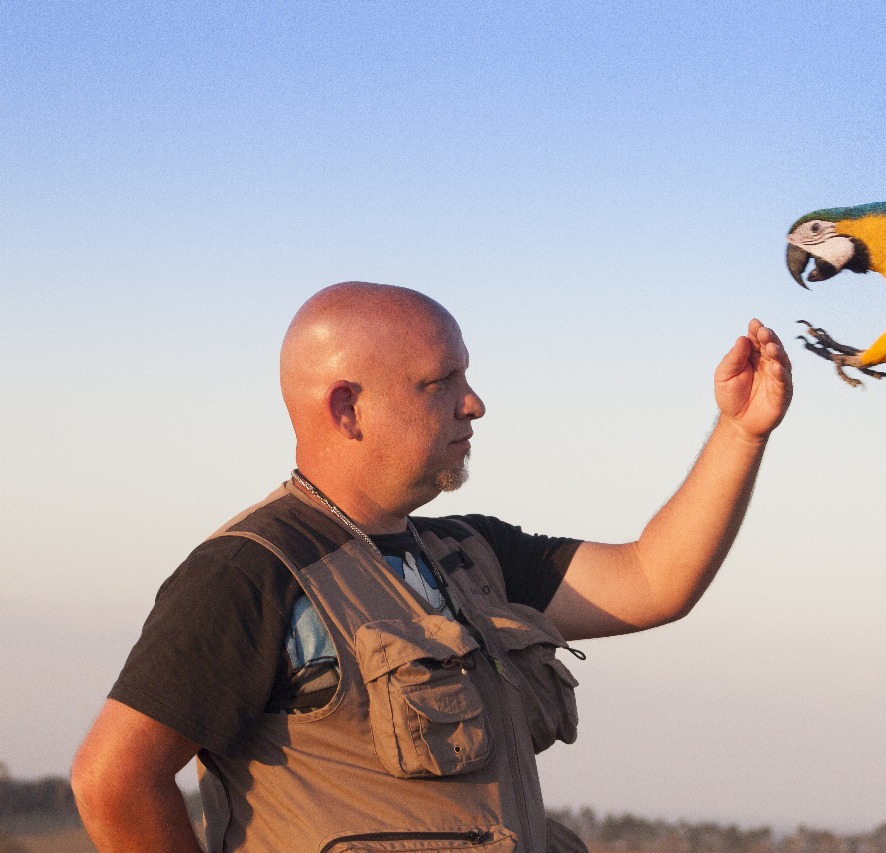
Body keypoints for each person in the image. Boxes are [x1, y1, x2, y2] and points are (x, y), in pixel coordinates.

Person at [71, 281, 793, 853]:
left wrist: (740, 431)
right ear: (348, 408)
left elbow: (651, 581)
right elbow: (113, 781)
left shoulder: (471, 555)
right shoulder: (253, 572)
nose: (474, 404)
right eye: (440, 382)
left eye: (466, 376)